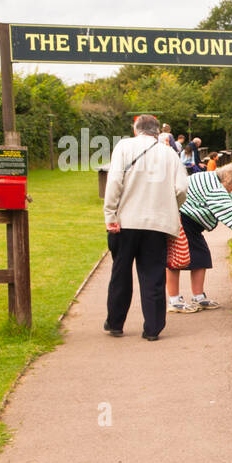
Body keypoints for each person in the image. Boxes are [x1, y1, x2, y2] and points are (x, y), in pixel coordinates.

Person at [102, 114, 188, 340]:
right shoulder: (170, 153)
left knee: (120, 273)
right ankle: (153, 328)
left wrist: (110, 214)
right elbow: (181, 189)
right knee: (153, 275)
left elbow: (114, 182)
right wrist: (170, 207)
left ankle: (115, 323)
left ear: (135, 129)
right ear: (157, 131)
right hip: (157, 223)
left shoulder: (124, 147)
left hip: (125, 222)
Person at [166, 163, 232, 312]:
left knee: (200, 257)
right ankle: (175, 300)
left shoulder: (212, 179)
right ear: (228, 180)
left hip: (187, 221)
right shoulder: (214, 187)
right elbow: (227, 210)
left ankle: (197, 297)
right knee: (176, 259)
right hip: (183, 220)